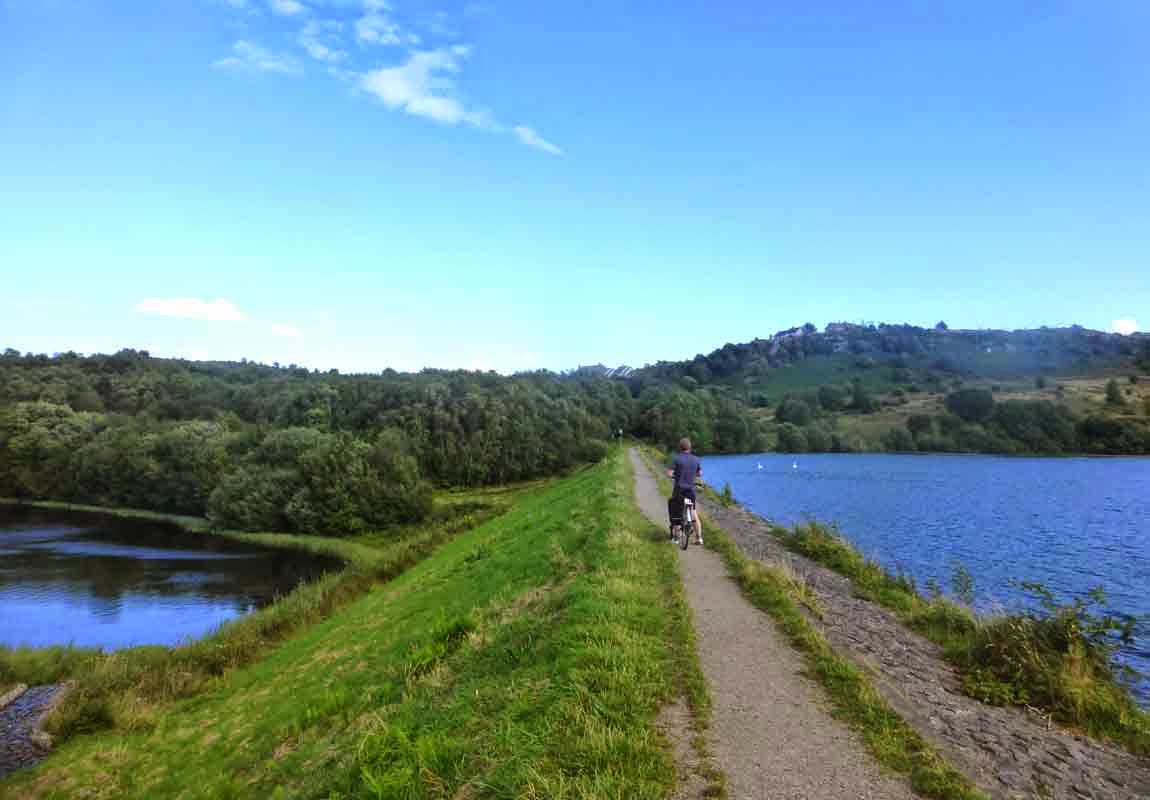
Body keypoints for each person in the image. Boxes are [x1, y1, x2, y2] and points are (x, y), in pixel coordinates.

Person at [667, 437, 703, 545]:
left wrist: (675, 475)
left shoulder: (676, 459)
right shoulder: (696, 459)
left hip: (679, 489)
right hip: (691, 490)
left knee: (677, 512)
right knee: (693, 512)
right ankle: (699, 538)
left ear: (680, 447)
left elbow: (669, 473)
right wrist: (693, 475)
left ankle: (676, 538)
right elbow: (700, 473)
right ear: (690, 447)